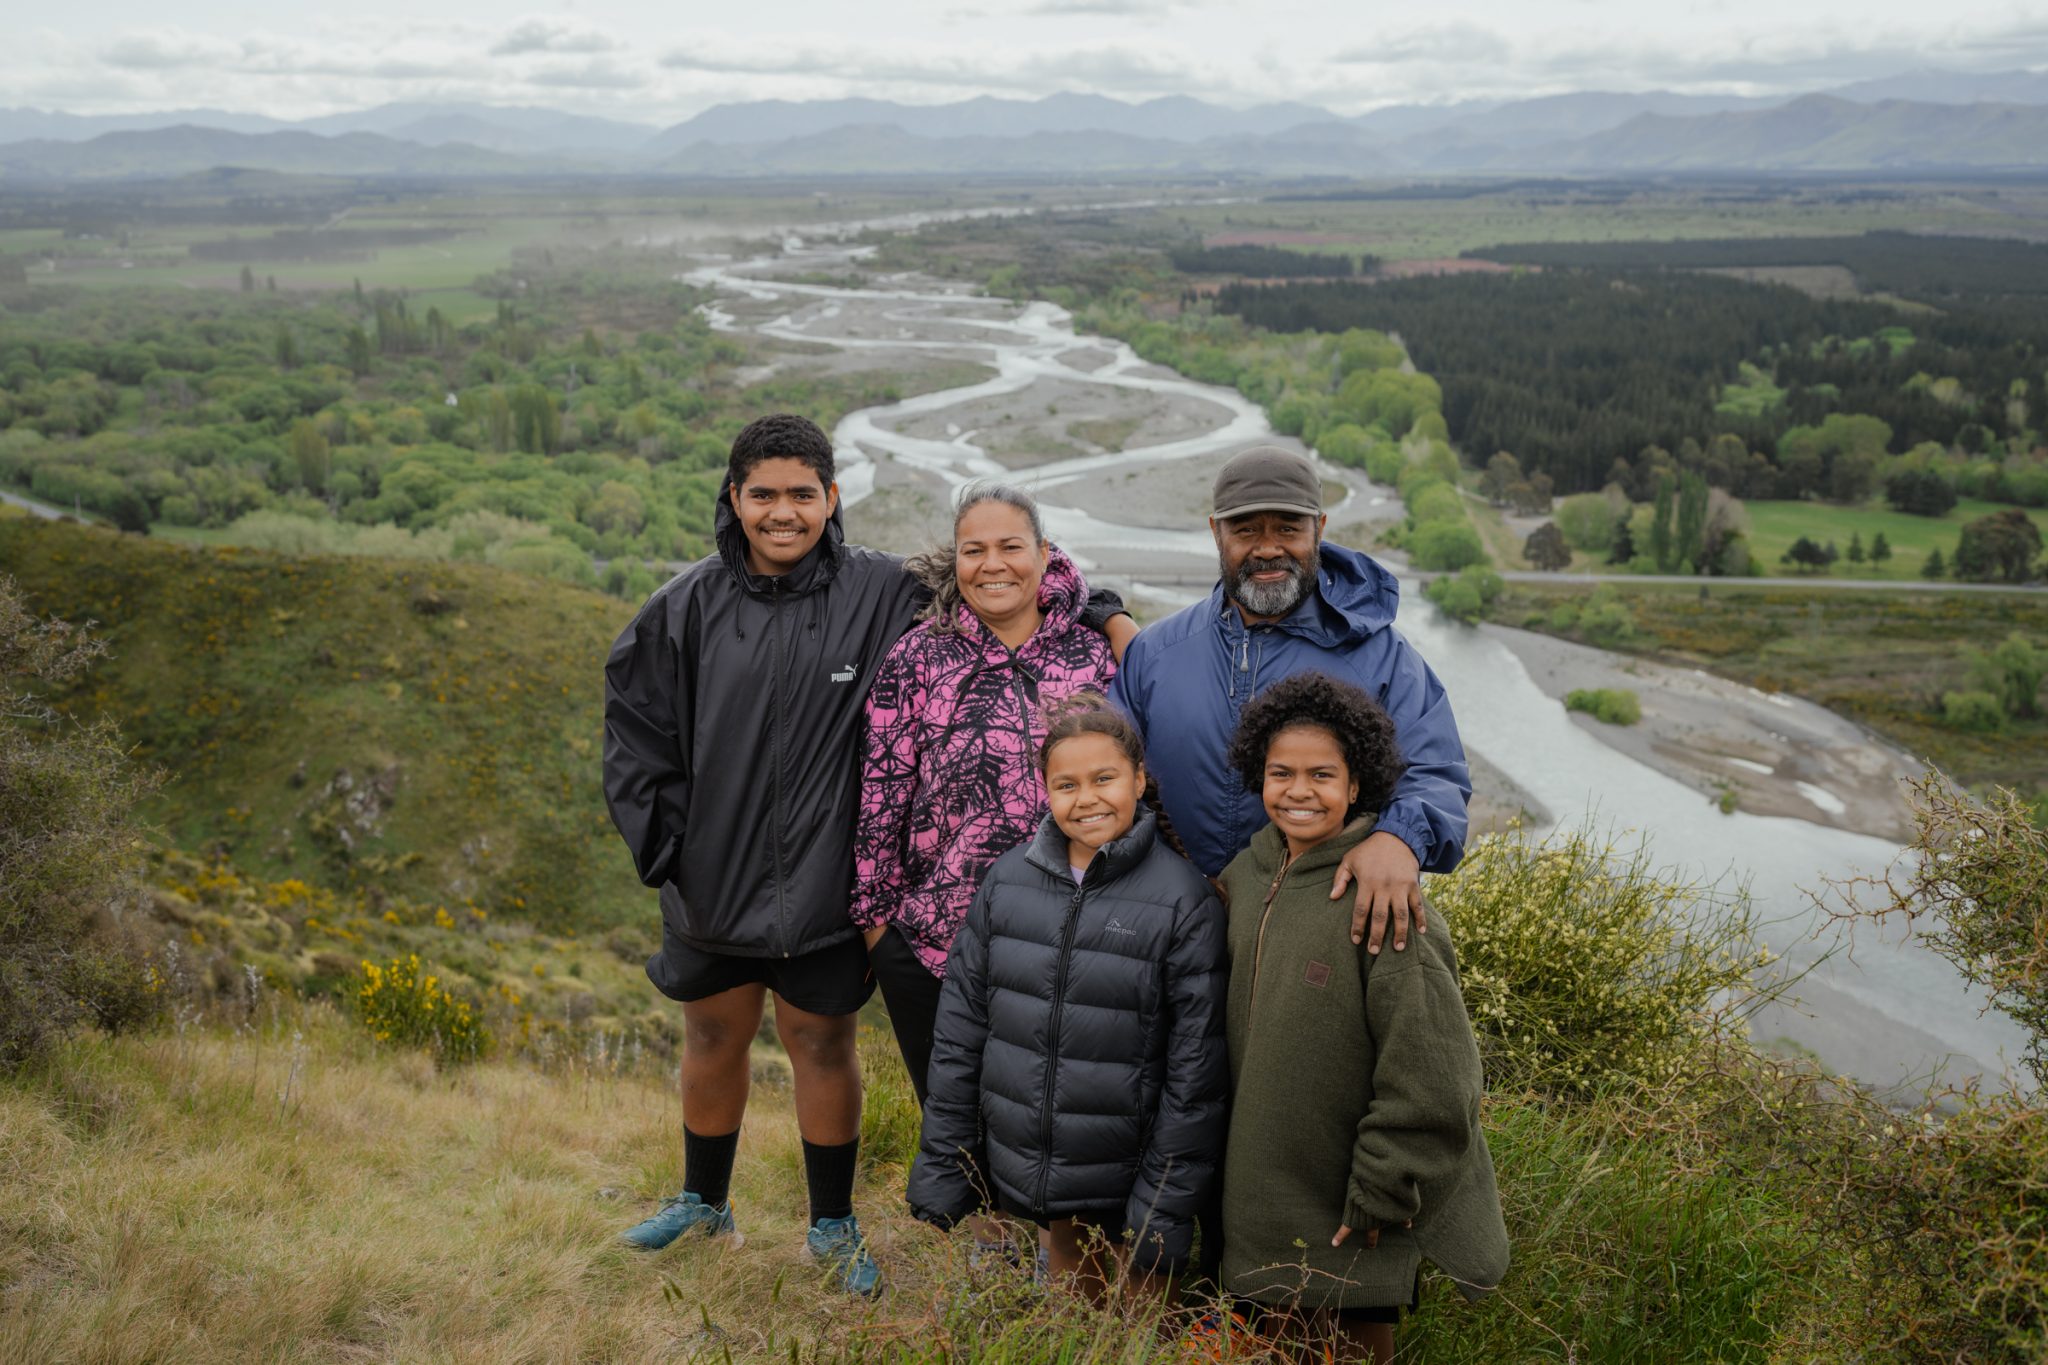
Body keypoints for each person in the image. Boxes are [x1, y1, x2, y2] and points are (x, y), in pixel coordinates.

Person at [602, 415, 1134, 1296]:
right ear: (732, 499)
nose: (782, 511)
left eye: (801, 493)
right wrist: (666, 849)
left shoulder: (881, 588)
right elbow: (635, 724)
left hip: (821, 883)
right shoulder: (684, 604)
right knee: (711, 1031)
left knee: (821, 1041)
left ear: (832, 498)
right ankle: (703, 1201)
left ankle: (832, 1224)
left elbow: (1004, 576)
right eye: (763, 493)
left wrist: (1109, 613)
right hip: (713, 879)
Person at [1214, 672, 1507, 1363]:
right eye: (1280, 772)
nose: (1299, 790)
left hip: (1351, 1223)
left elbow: (1435, 1078)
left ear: (1356, 785)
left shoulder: (1385, 898)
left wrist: (1380, 1190)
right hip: (1251, 1212)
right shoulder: (1246, 877)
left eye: (1323, 773)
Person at [908, 695, 1228, 1302]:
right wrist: (948, 1162)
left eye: (1104, 779)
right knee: (1072, 1321)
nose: (1087, 799)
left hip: (1134, 1170)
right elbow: (960, 1032)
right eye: (1066, 784)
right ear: (1044, 791)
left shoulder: (1183, 900)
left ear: (1138, 779)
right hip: (1038, 1165)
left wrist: (1164, 1196)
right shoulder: (1006, 882)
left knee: (1135, 1331)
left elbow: (1196, 1071)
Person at [1109, 445, 1471, 954]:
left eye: (1287, 528)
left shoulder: (1382, 655)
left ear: (1318, 528)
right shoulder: (1155, 652)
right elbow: (1111, 777)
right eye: (1246, 530)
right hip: (1171, 931)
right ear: (1216, 532)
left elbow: (1437, 774)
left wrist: (1399, 839)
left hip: (1316, 938)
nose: (1267, 548)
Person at [851, 481, 1118, 1106]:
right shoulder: (919, 655)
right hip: (933, 943)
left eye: (1010, 546)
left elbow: (1139, 784)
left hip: (1075, 939)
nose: (992, 565)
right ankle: (961, 1207)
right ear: (956, 559)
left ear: (1045, 553)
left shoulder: (1097, 654)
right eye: (974, 550)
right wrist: (877, 929)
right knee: (952, 1120)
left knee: (1049, 1113)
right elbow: (880, 794)